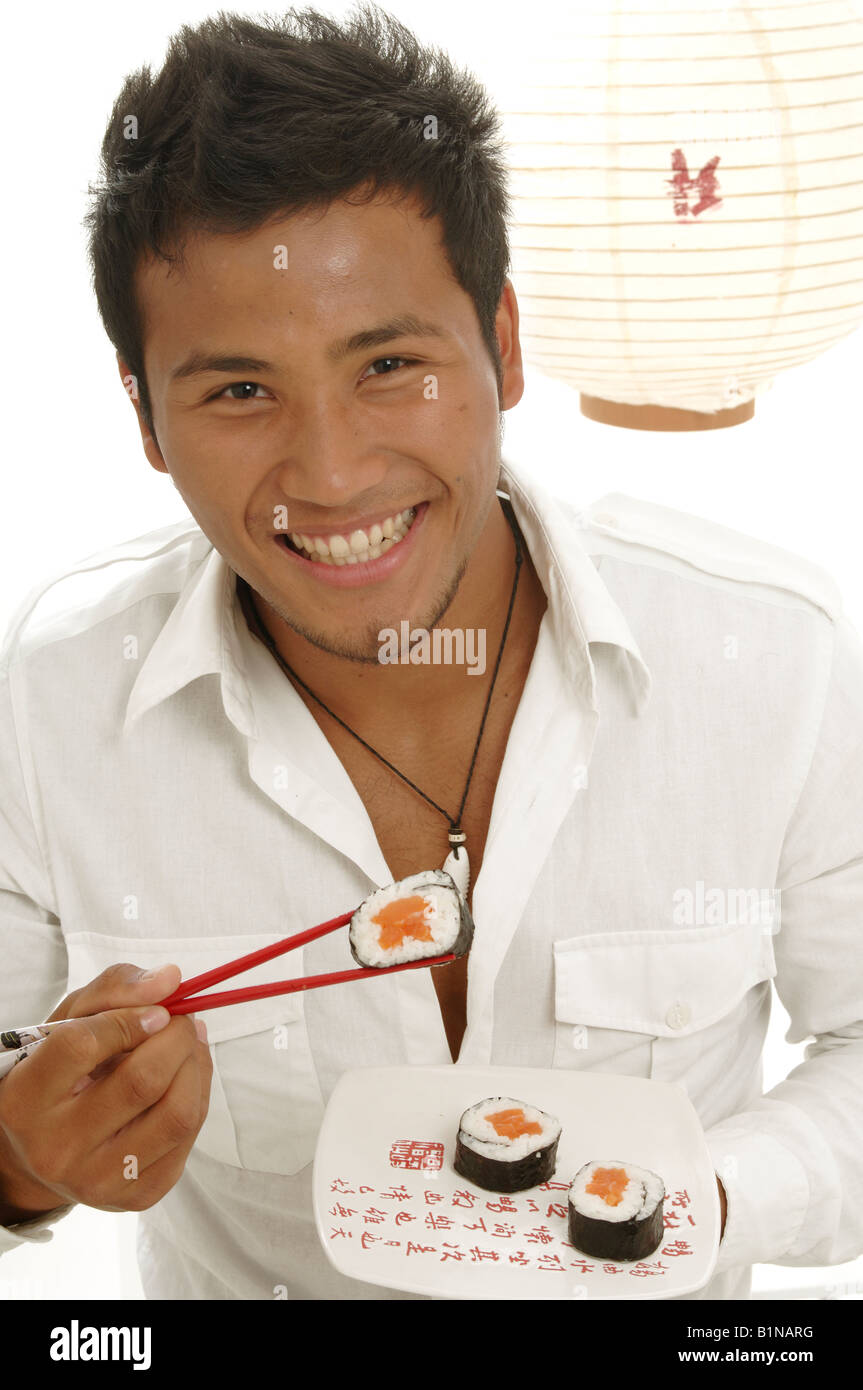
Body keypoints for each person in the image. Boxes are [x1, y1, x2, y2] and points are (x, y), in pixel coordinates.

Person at [0, 4, 860, 1301]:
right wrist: (19, 1162)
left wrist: (710, 1196)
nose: (334, 474)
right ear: (144, 415)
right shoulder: (43, 705)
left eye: (391, 362)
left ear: (504, 345)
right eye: (240, 390)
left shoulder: (776, 661)